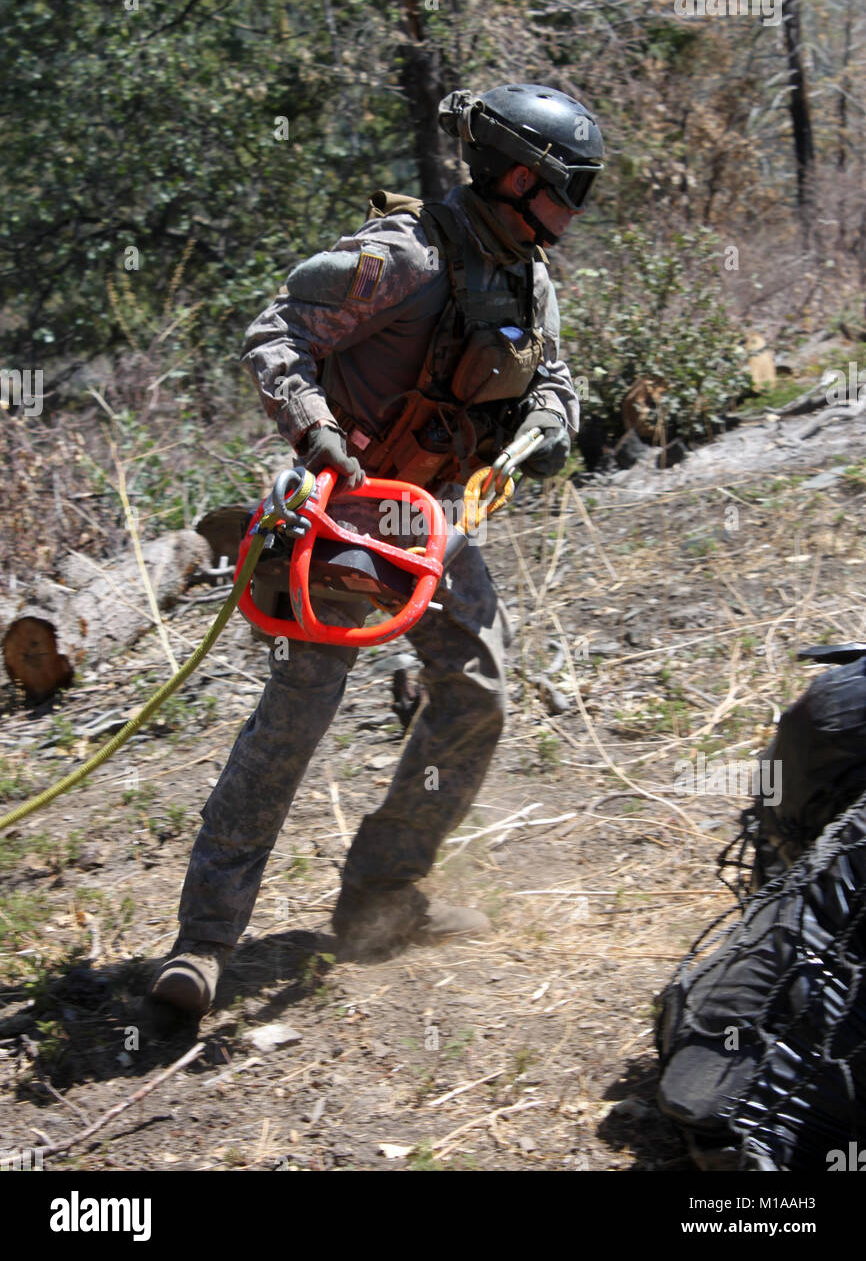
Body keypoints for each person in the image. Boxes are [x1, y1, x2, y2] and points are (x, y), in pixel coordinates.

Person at [150, 83, 604, 1015]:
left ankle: (383, 892)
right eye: (569, 191)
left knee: (477, 693)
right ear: (518, 180)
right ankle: (203, 941)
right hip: (338, 513)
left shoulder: (529, 270)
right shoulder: (403, 257)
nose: (574, 212)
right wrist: (315, 430)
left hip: (429, 519)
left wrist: (552, 419)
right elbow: (275, 331)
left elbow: (549, 372)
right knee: (298, 712)